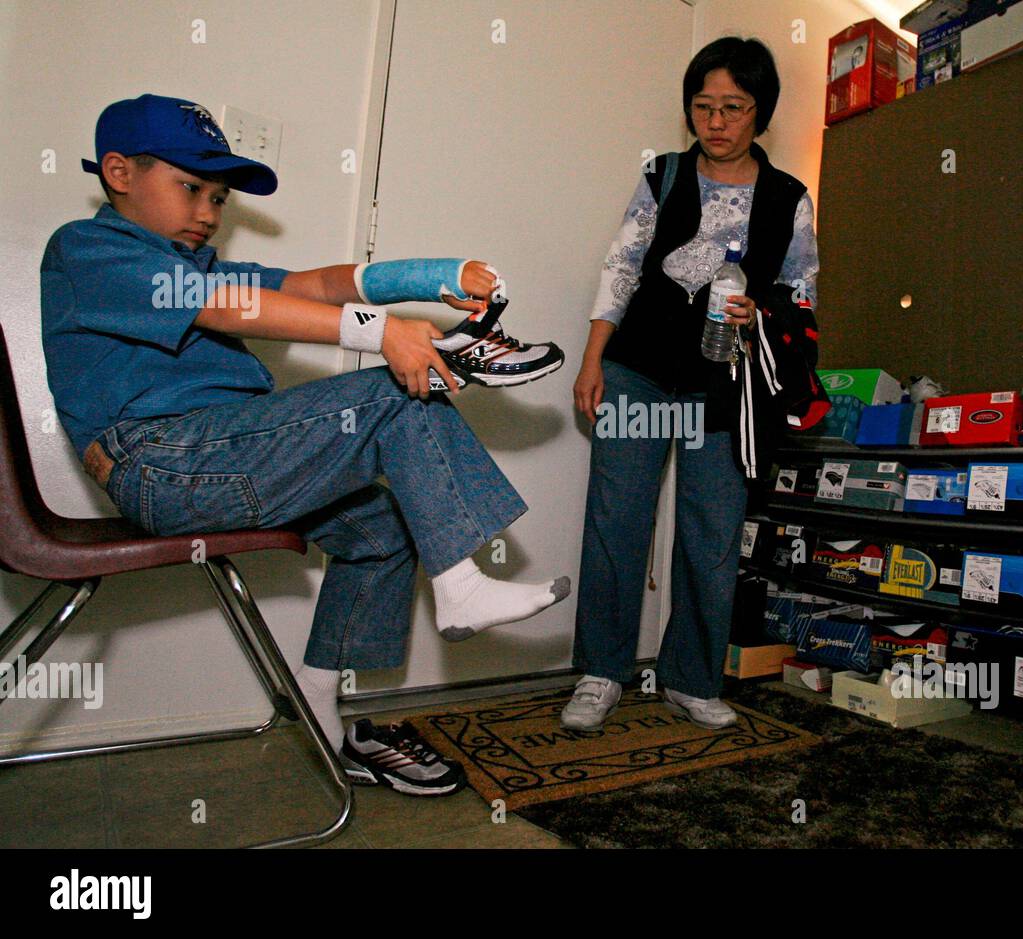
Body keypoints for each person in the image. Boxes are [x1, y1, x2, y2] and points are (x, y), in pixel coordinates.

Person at [40, 94, 569, 796]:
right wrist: (380, 331)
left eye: (219, 197)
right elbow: (227, 308)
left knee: (386, 527)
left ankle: (324, 715)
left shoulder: (198, 263)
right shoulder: (89, 249)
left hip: (223, 457)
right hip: (164, 461)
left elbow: (308, 284)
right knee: (391, 395)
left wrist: (434, 274)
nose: (208, 211)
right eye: (191, 187)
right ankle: (462, 587)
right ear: (118, 172)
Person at [563, 38, 820, 731]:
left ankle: (692, 677)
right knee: (617, 519)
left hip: (724, 393)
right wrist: (593, 359)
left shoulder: (790, 200)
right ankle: (600, 671)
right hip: (638, 374)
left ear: (758, 112)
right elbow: (621, 266)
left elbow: (802, 298)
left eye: (733, 107)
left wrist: (758, 312)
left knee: (711, 532)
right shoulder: (664, 175)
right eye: (703, 106)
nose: (717, 121)